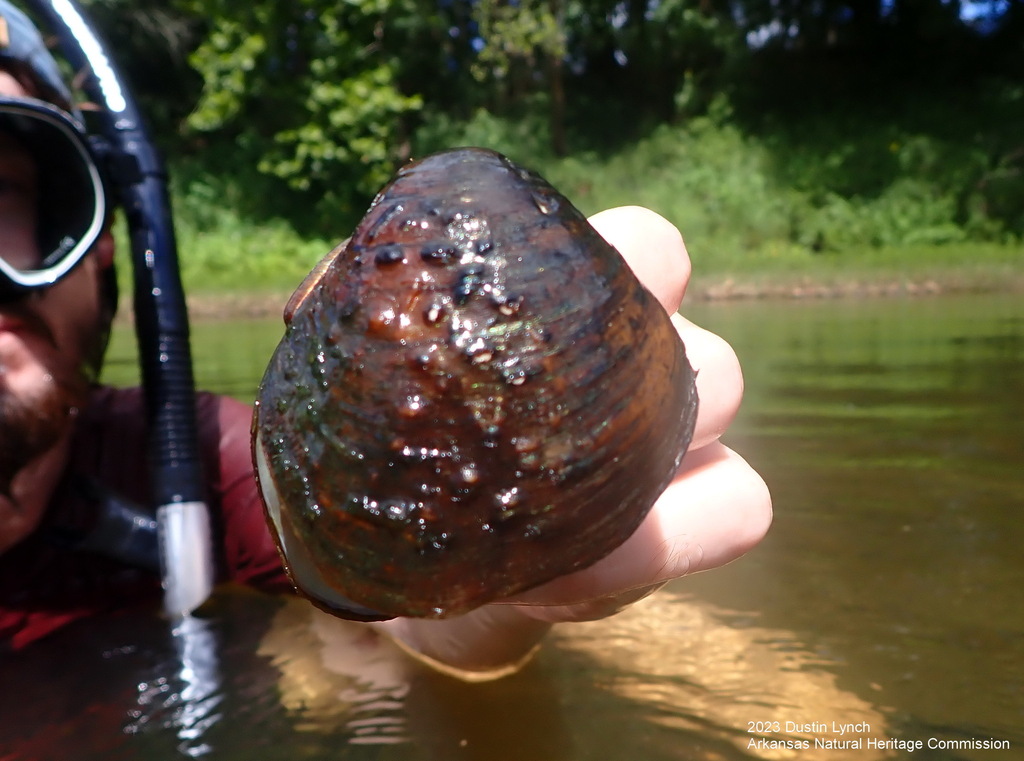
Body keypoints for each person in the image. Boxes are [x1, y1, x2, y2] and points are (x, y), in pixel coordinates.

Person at [0, 0, 771, 674]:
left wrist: (496, 604)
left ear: (97, 241)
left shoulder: (204, 472)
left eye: (5, 192)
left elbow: (406, 632)